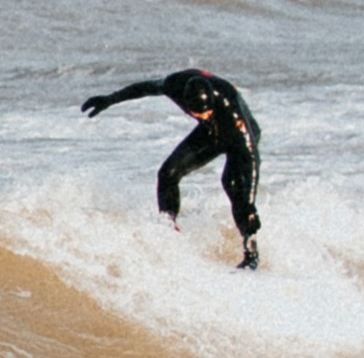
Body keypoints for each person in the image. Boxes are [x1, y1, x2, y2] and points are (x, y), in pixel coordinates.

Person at [80, 67, 262, 267]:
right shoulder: (174, 84)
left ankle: (251, 254)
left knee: (235, 187)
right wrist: (110, 99)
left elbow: (251, 158)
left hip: (240, 136)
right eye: (199, 113)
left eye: (208, 111)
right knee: (168, 173)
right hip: (210, 133)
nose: (204, 116)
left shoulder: (230, 111)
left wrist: (250, 204)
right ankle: (168, 231)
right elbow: (144, 88)